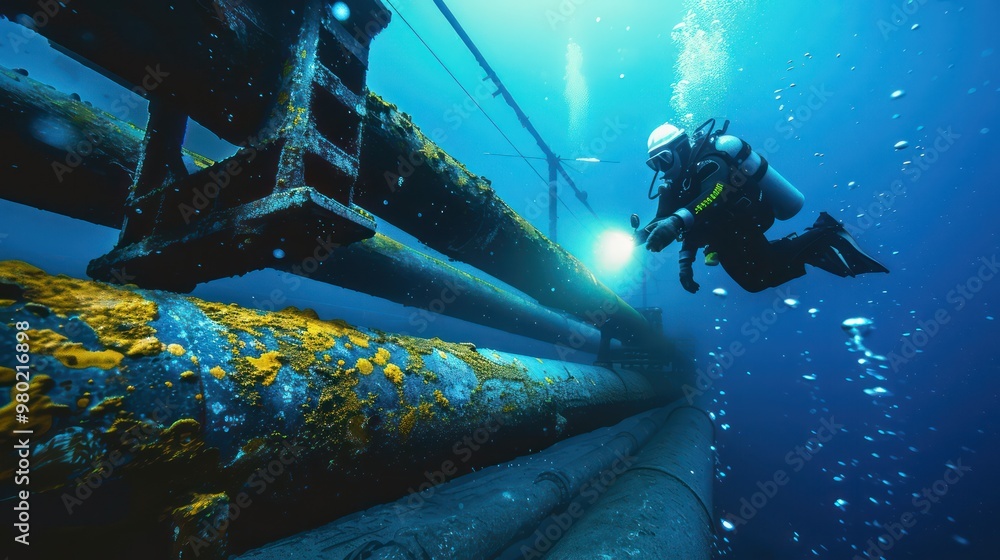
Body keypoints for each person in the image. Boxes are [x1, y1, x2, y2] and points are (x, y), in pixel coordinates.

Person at [635, 119, 888, 293]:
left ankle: (826, 234)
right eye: (654, 165)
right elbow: (669, 222)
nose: (661, 169)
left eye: (664, 159)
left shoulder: (710, 162)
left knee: (763, 273)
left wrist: (675, 222)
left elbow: (715, 193)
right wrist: (679, 263)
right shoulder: (675, 187)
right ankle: (813, 245)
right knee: (754, 283)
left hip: (744, 220)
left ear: (679, 148)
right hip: (723, 235)